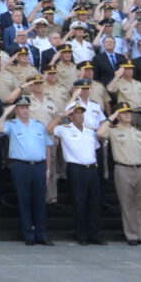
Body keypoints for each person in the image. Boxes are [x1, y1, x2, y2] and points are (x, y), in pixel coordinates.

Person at [0, 96, 54, 246]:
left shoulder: (39, 125)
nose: (25, 110)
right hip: (21, 166)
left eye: (27, 107)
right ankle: (28, 234)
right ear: (16, 110)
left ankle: (41, 234)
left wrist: (48, 169)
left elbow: (47, 147)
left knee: (40, 201)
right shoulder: (12, 124)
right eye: (21, 107)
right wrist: (5, 113)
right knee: (24, 200)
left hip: (39, 165)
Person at [51, 104, 104, 245]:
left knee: (94, 203)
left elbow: (95, 149)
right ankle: (82, 235)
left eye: (82, 113)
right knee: (79, 203)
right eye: (77, 113)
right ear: (71, 116)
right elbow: (49, 129)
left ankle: (95, 234)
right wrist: (61, 116)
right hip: (76, 169)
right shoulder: (64, 129)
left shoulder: (90, 131)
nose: (80, 116)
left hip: (92, 168)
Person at [102, 104, 141, 246]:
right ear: (118, 115)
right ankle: (131, 234)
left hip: (140, 168)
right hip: (123, 168)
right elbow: (100, 133)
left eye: (129, 112)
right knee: (127, 203)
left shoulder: (138, 132)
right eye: (123, 113)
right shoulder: (113, 131)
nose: (127, 115)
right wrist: (112, 116)